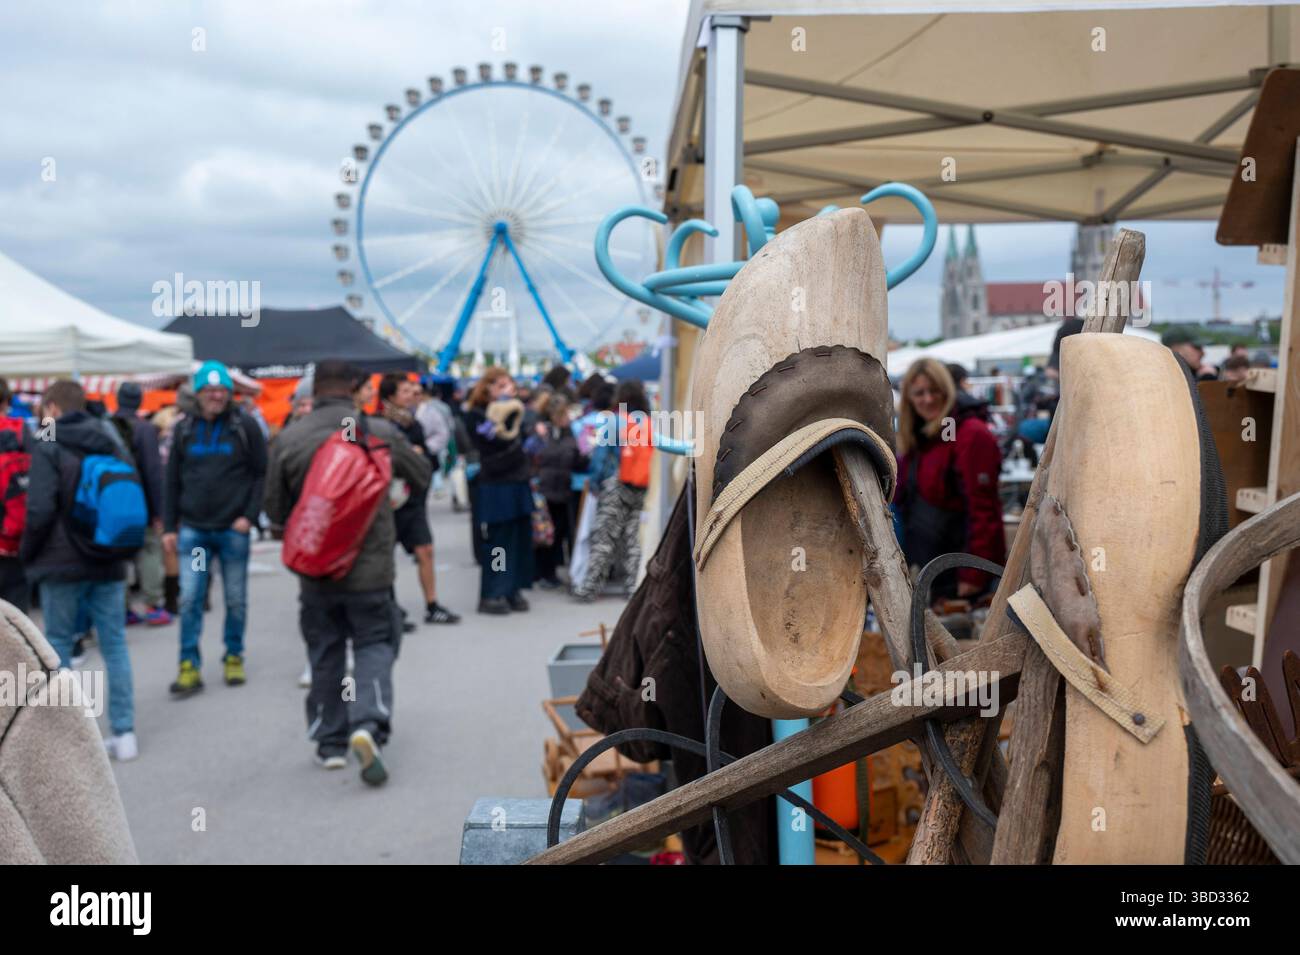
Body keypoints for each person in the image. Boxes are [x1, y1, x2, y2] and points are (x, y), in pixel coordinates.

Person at [265, 360, 432, 782]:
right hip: (371, 568)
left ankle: (330, 740)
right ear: (357, 389)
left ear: (314, 390)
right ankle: (368, 722)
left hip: (316, 569)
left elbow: (275, 511)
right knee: (375, 641)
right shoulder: (377, 432)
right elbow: (425, 476)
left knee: (325, 649)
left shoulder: (291, 438)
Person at [21, 380, 139, 760]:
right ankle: (125, 734)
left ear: (52, 407)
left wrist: (27, 553)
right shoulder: (109, 437)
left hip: (61, 561)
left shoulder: (48, 441)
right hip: (108, 555)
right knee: (114, 644)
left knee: (58, 646)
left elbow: (39, 509)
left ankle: (71, 742)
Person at [163, 360, 268, 696]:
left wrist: (248, 517)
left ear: (229, 393)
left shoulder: (244, 426)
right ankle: (188, 664)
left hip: (232, 531)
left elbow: (260, 474)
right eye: (209, 390)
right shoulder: (184, 429)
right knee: (191, 597)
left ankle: (233, 655)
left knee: (236, 599)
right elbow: (171, 480)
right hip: (195, 531)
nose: (216, 396)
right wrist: (169, 525)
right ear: (198, 393)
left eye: (221, 390)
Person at [893, 358, 1006, 604]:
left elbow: (983, 509)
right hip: (931, 568)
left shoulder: (971, 434)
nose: (928, 399)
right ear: (909, 398)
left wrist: (974, 573)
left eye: (934, 391)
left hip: (959, 571)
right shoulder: (919, 437)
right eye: (919, 393)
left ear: (947, 390)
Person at [378, 373, 459, 625]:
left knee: (425, 550)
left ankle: (432, 605)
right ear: (391, 396)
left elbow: (429, 460)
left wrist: (420, 455)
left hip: (413, 499)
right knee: (385, 556)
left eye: (413, 389)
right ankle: (390, 608)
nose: (413, 393)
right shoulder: (378, 424)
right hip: (389, 501)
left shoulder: (414, 424)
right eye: (405, 390)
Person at [571, 380, 653, 602]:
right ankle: (633, 587)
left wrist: (596, 484)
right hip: (641, 485)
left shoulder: (614, 421)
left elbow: (600, 456)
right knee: (633, 538)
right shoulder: (650, 422)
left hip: (615, 485)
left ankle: (589, 588)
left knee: (604, 536)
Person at [465, 367, 534, 614]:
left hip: (516, 482)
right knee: (498, 543)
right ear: (489, 388)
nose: (509, 390)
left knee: (519, 539)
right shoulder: (476, 415)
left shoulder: (518, 411)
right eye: (502, 385)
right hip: (496, 485)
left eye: (510, 385)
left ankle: (513, 587)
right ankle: (493, 591)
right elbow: (490, 446)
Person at [114, 382, 171, 626]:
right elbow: (153, 472)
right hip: (141, 501)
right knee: (149, 551)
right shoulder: (145, 429)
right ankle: (152, 604)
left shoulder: (106, 424)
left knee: (119, 556)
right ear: (139, 401)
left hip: (111, 503)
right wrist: (159, 511)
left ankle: (123, 607)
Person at [531, 396, 586, 589]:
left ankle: (548, 572)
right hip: (547, 488)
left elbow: (576, 459)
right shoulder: (544, 434)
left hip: (560, 487)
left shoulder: (567, 432)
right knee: (546, 533)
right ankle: (544, 572)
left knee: (556, 532)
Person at [0, 379, 30, 611]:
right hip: (14, 538)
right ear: (7, 400)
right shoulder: (20, 427)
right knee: (16, 618)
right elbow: (50, 446)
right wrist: (48, 416)